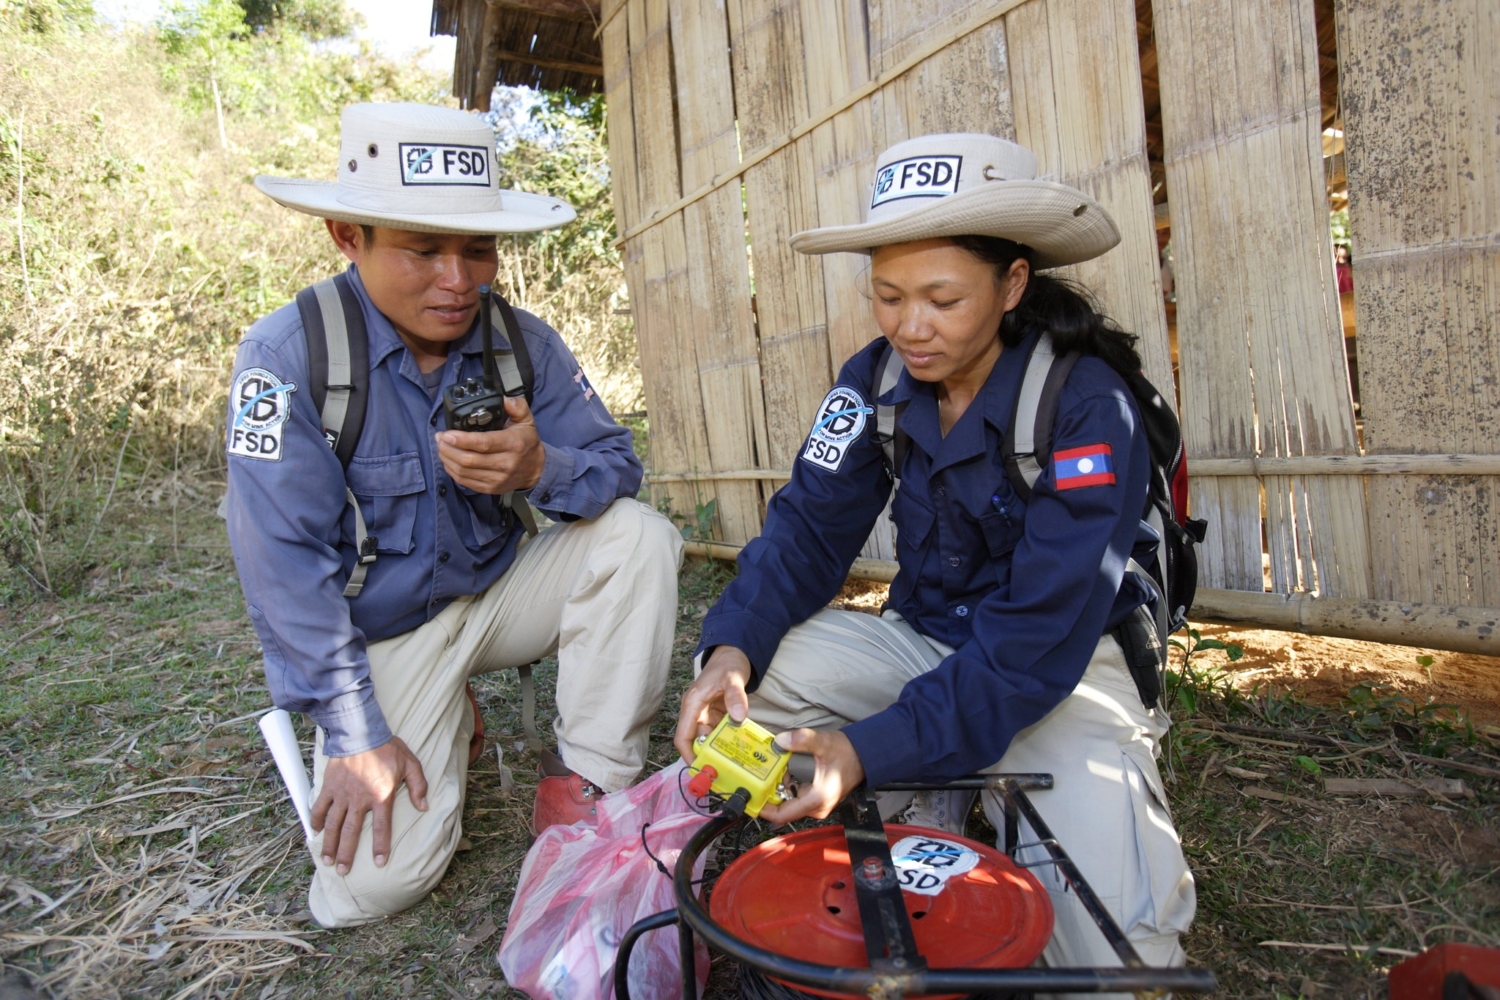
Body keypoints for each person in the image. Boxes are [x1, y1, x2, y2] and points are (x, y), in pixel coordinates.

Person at [675, 134, 1195, 991]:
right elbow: (806, 528)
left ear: (1013, 284)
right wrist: (730, 647)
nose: (910, 326)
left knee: (1117, 965)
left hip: (1060, 672)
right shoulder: (875, 381)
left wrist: (867, 748)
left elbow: (1035, 645)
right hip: (926, 644)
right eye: (887, 295)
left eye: (943, 298)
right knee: (747, 693)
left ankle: (933, 785)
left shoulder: (1086, 403)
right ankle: (932, 789)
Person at [226, 103, 683, 928]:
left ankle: (589, 781)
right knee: (370, 891)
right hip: (384, 632)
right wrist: (356, 730)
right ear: (346, 235)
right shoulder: (288, 359)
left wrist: (542, 466)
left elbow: (617, 465)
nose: (458, 278)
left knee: (641, 538)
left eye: (478, 248)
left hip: (500, 591)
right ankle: (435, 715)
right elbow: (284, 569)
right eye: (422, 249)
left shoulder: (521, 342)